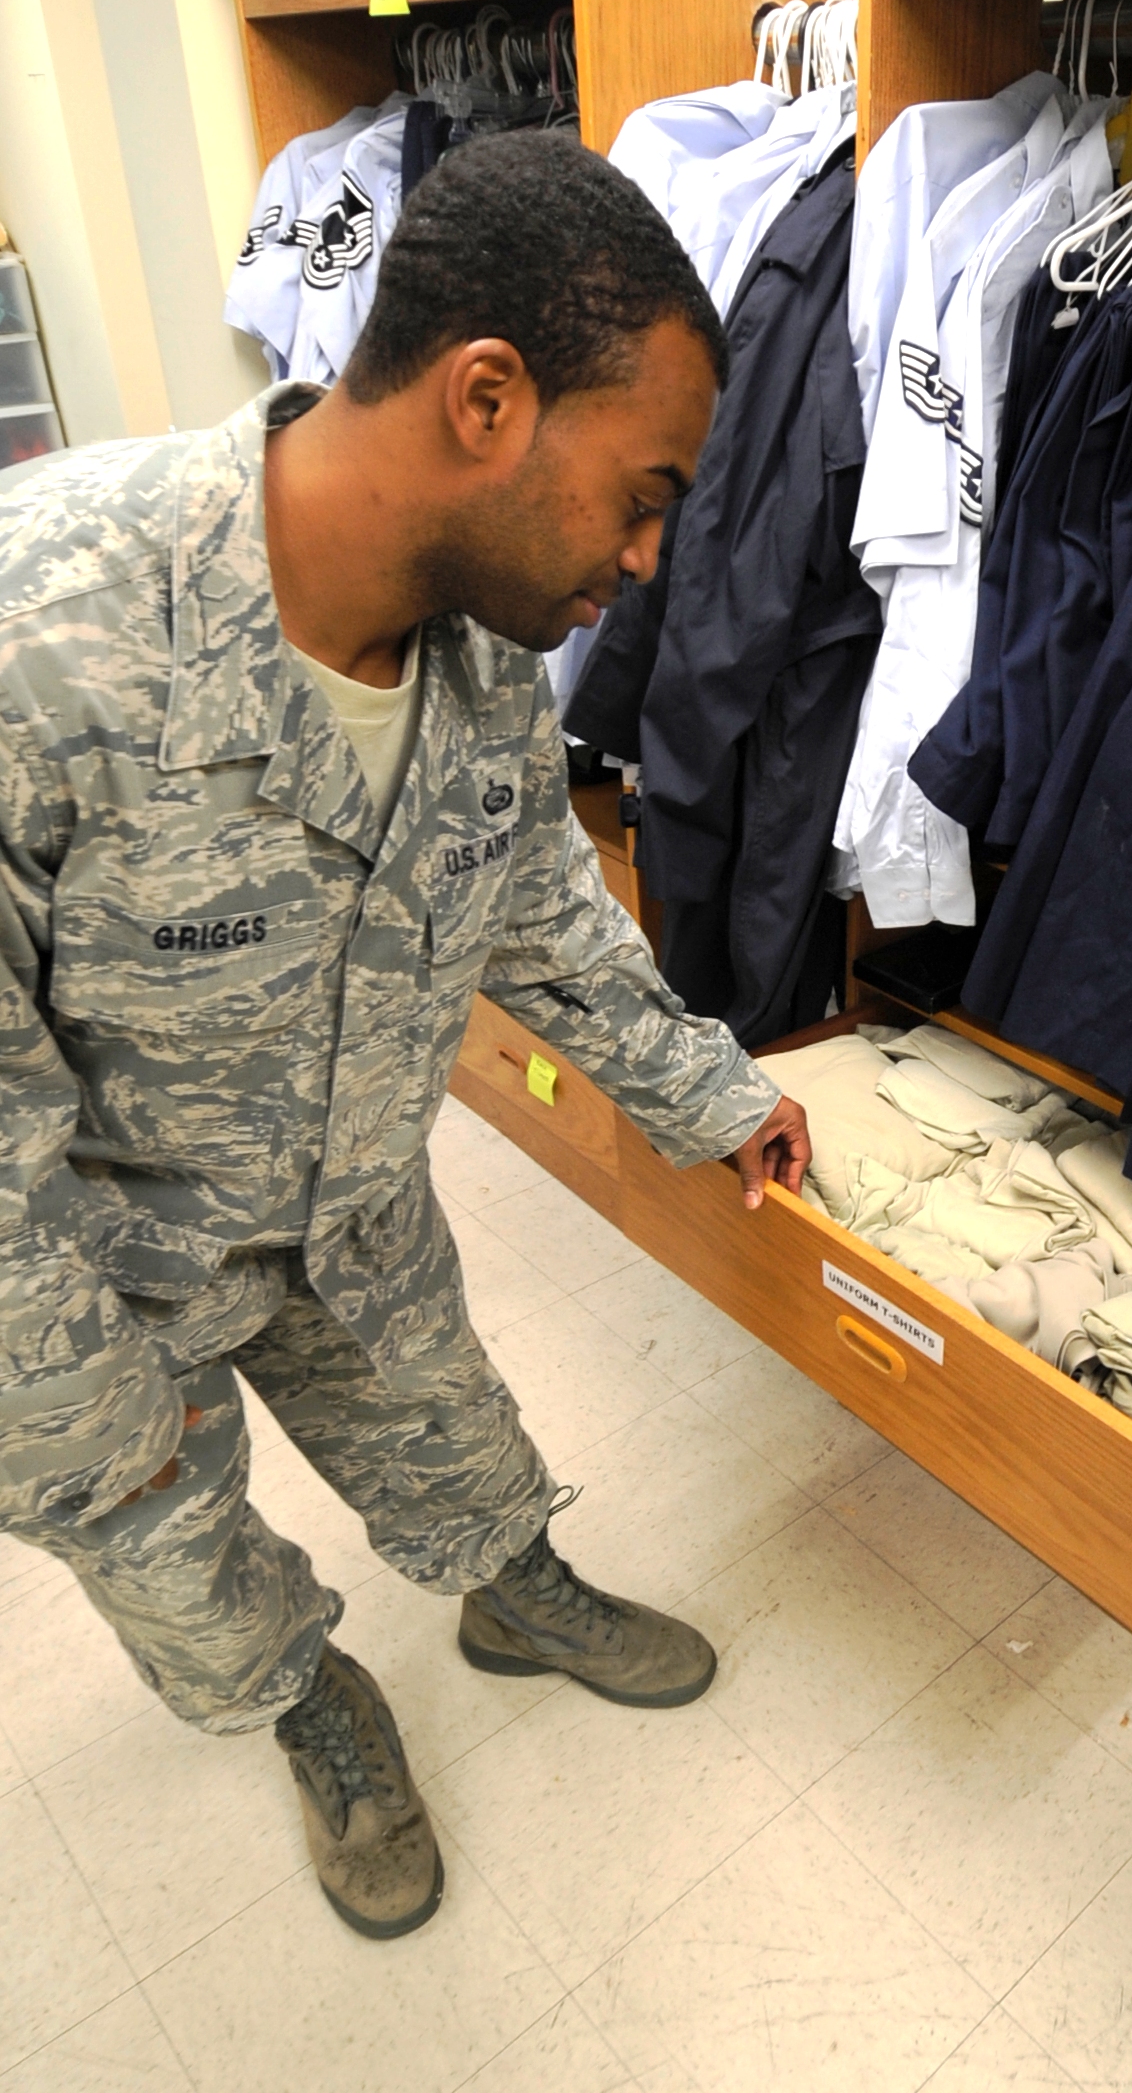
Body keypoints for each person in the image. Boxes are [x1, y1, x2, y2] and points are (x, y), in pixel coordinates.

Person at [0, 133, 810, 1942]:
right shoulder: (41, 638)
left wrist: (718, 1095)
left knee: (453, 1428)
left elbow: (540, 914)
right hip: (105, 1285)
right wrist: (87, 1434)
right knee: (184, 1556)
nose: (649, 557)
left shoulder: (485, 660)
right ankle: (311, 1698)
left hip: (357, 1213)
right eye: (644, 494)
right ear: (487, 399)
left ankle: (511, 1583)